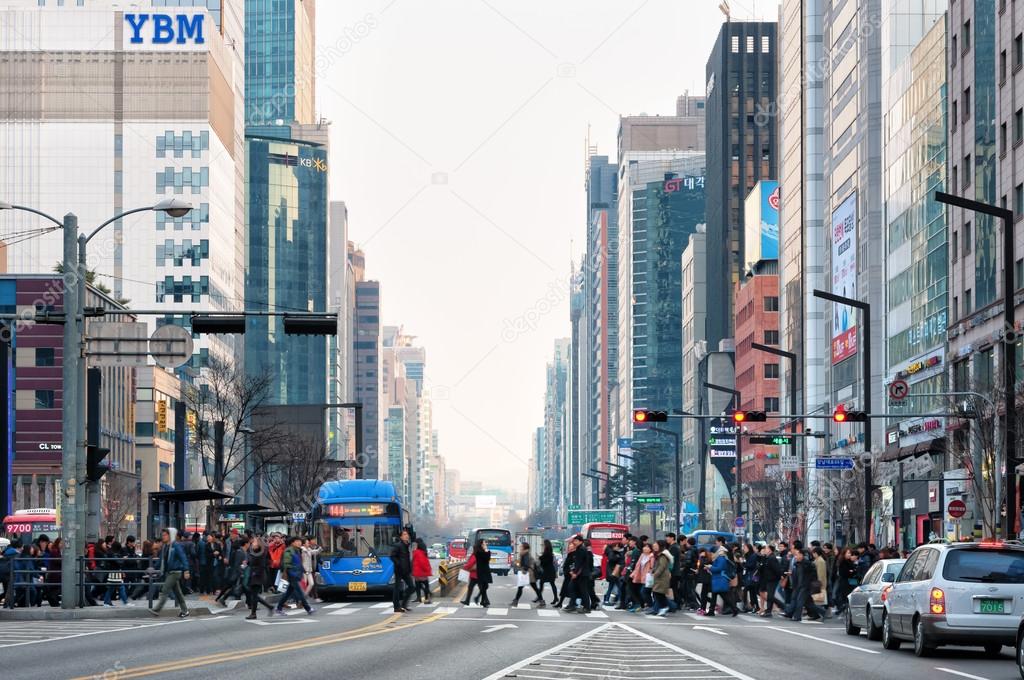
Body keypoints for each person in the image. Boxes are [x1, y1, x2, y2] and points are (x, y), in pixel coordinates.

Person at [149, 528, 190, 618]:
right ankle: (185, 610)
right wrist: (153, 568)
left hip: (175, 572)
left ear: (170, 535)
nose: (163, 537)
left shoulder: (176, 545)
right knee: (178, 593)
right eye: (163, 535)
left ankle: (156, 610)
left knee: (165, 589)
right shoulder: (165, 546)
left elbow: (183, 557)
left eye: (165, 535)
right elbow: (161, 560)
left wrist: (186, 570)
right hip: (169, 572)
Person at [275, 536, 314, 616]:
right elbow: (287, 564)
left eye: (300, 541)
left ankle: (279, 608)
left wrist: (302, 570)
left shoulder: (297, 550)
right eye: (297, 541)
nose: (299, 543)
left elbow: (298, 563)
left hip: (296, 574)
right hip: (292, 575)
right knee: (300, 592)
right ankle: (308, 608)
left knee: (288, 593)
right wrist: (292, 572)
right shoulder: (289, 551)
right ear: (292, 542)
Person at [241, 537, 274, 620]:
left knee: (254, 595)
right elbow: (252, 561)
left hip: (258, 575)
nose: (252, 543)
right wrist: (247, 563)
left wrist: (255, 572)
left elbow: (263, 564)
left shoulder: (262, 553)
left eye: (254, 542)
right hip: (255, 574)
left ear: (259, 544)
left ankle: (254, 613)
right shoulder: (255, 552)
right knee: (254, 595)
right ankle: (269, 607)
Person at [708, 536, 738, 617]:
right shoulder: (718, 557)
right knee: (716, 596)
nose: (711, 555)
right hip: (717, 579)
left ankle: (734, 609)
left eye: (712, 553)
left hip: (720, 579)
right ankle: (711, 611)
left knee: (725, 596)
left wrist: (710, 567)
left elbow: (719, 568)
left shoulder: (721, 558)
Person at [511, 542, 545, 608]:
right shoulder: (525, 553)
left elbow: (526, 564)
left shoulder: (525, 554)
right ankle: (541, 601)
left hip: (528, 574)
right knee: (533, 588)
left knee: (521, 587)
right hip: (529, 573)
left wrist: (524, 571)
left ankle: (515, 601)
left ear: (524, 547)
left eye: (521, 546)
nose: (520, 547)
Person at [460, 539, 492, 607]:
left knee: (473, 588)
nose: (485, 544)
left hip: (475, 574)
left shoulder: (476, 554)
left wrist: (464, 567)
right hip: (479, 574)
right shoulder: (482, 553)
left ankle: (470, 601)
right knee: (482, 588)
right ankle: (484, 601)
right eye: (484, 543)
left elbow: (470, 563)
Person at [390, 530, 415, 613]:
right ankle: (396, 607)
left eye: (407, 534)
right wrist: (399, 564)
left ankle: (404, 604)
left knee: (412, 587)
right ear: (401, 537)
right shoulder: (398, 545)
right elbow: (392, 556)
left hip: (406, 570)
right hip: (399, 570)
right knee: (396, 588)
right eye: (404, 534)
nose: (406, 535)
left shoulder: (407, 545)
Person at [215, 539, 245, 607]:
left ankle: (219, 598)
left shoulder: (233, 552)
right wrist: (241, 571)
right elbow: (240, 564)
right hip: (236, 573)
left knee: (227, 587)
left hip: (231, 572)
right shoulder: (241, 553)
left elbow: (230, 562)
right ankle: (222, 599)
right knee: (233, 587)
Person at [757, 544, 783, 617]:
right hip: (768, 579)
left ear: (770, 550)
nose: (765, 550)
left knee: (770, 596)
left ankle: (774, 609)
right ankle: (769, 610)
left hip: (772, 580)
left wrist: (779, 577)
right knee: (770, 596)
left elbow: (777, 569)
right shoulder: (767, 558)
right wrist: (763, 557)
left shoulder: (772, 558)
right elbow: (761, 567)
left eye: (766, 548)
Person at [103, 541, 131, 607]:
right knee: (121, 587)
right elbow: (118, 562)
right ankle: (125, 602)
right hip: (115, 573)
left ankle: (107, 602)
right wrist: (123, 559)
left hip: (113, 573)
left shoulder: (110, 552)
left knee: (112, 588)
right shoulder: (113, 554)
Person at [630, 541, 654, 613]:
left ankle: (651, 606)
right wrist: (634, 573)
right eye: (645, 546)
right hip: (641, 576)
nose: (645, 548)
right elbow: (638, 566)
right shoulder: (642, 555)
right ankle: (646, 605)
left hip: (648, 577)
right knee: (641, 591)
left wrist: (650, 572)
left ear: (650, 549)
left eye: (647, 547)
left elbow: (652, 567)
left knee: (644, 592)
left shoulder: (651, 556)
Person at [412, 537, 433, 604]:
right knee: (425, 584)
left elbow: (420, 562)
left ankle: (419, 598)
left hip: (419, 571)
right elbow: (424, 562)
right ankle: (426, 598)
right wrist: (428, 570)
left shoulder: (417, 552)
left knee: (418, 585)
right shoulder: (423, 551)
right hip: (422, 571)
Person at [538, 540, 559, 605]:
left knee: (542, 583)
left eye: (543, 544)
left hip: (548, 571)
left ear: (546, 545)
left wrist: (540, 558)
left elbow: (545, 562)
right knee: (551, 584)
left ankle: (539, 597)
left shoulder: (548, 553)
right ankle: (555, 598)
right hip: (549, 571)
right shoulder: (549, 552)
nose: (542, 545)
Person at [741, 543, 760, 613]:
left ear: (749, 548)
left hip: (753, 576)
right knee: (753, 592)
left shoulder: (753, 555)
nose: (744, 549)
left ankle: (748, 606)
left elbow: (751, 565)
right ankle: (755, 606)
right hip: (750, 576)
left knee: (749, 590)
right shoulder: (747, 555)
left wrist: (743, 563)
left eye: (745, 548)